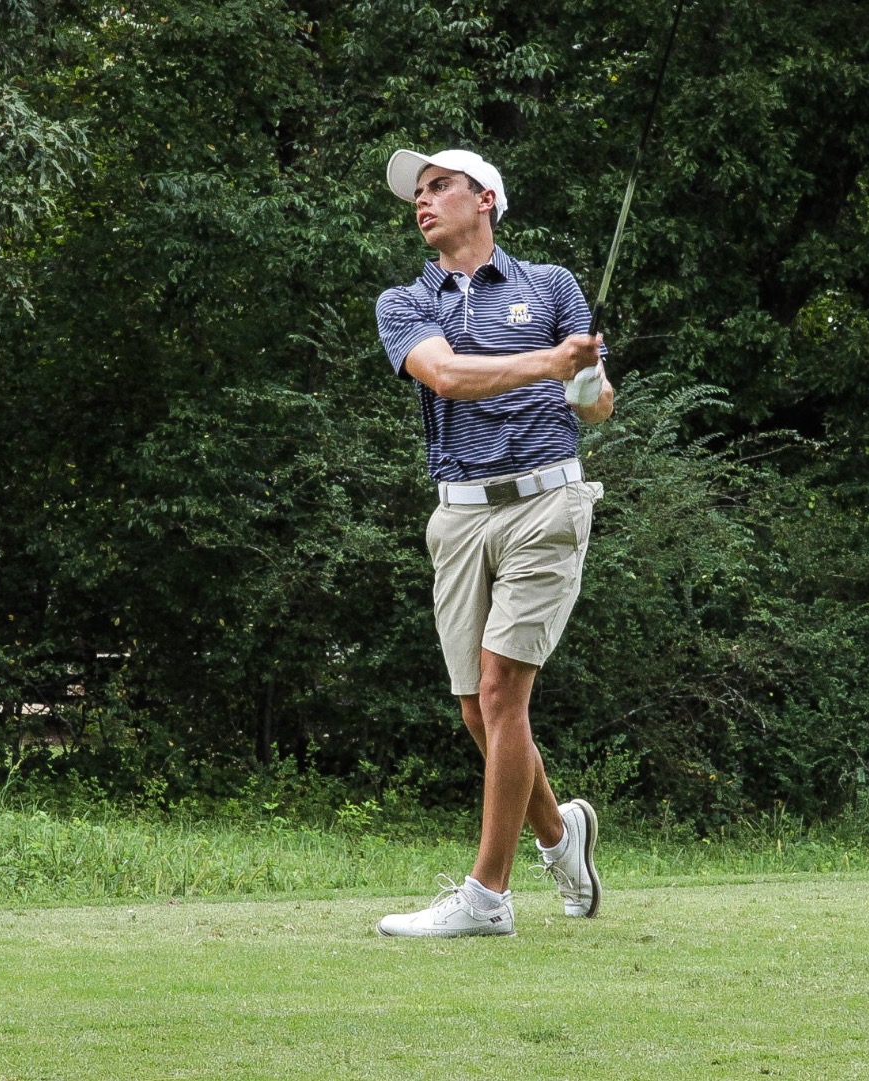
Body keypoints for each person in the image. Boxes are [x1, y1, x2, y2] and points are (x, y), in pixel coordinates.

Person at [373, 147, 615, 937]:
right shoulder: (405, 302)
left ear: (486, 198)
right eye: (418, 191)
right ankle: (560, 831)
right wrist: (552, 360)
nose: (422, 199)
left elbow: (596, 407)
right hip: (459, 514)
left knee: (506, 691)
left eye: (438, 185)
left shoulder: (552, 286)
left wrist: (584, 373)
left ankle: (487, 897)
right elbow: (445, 377)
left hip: (547, 500)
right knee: (479, 710)